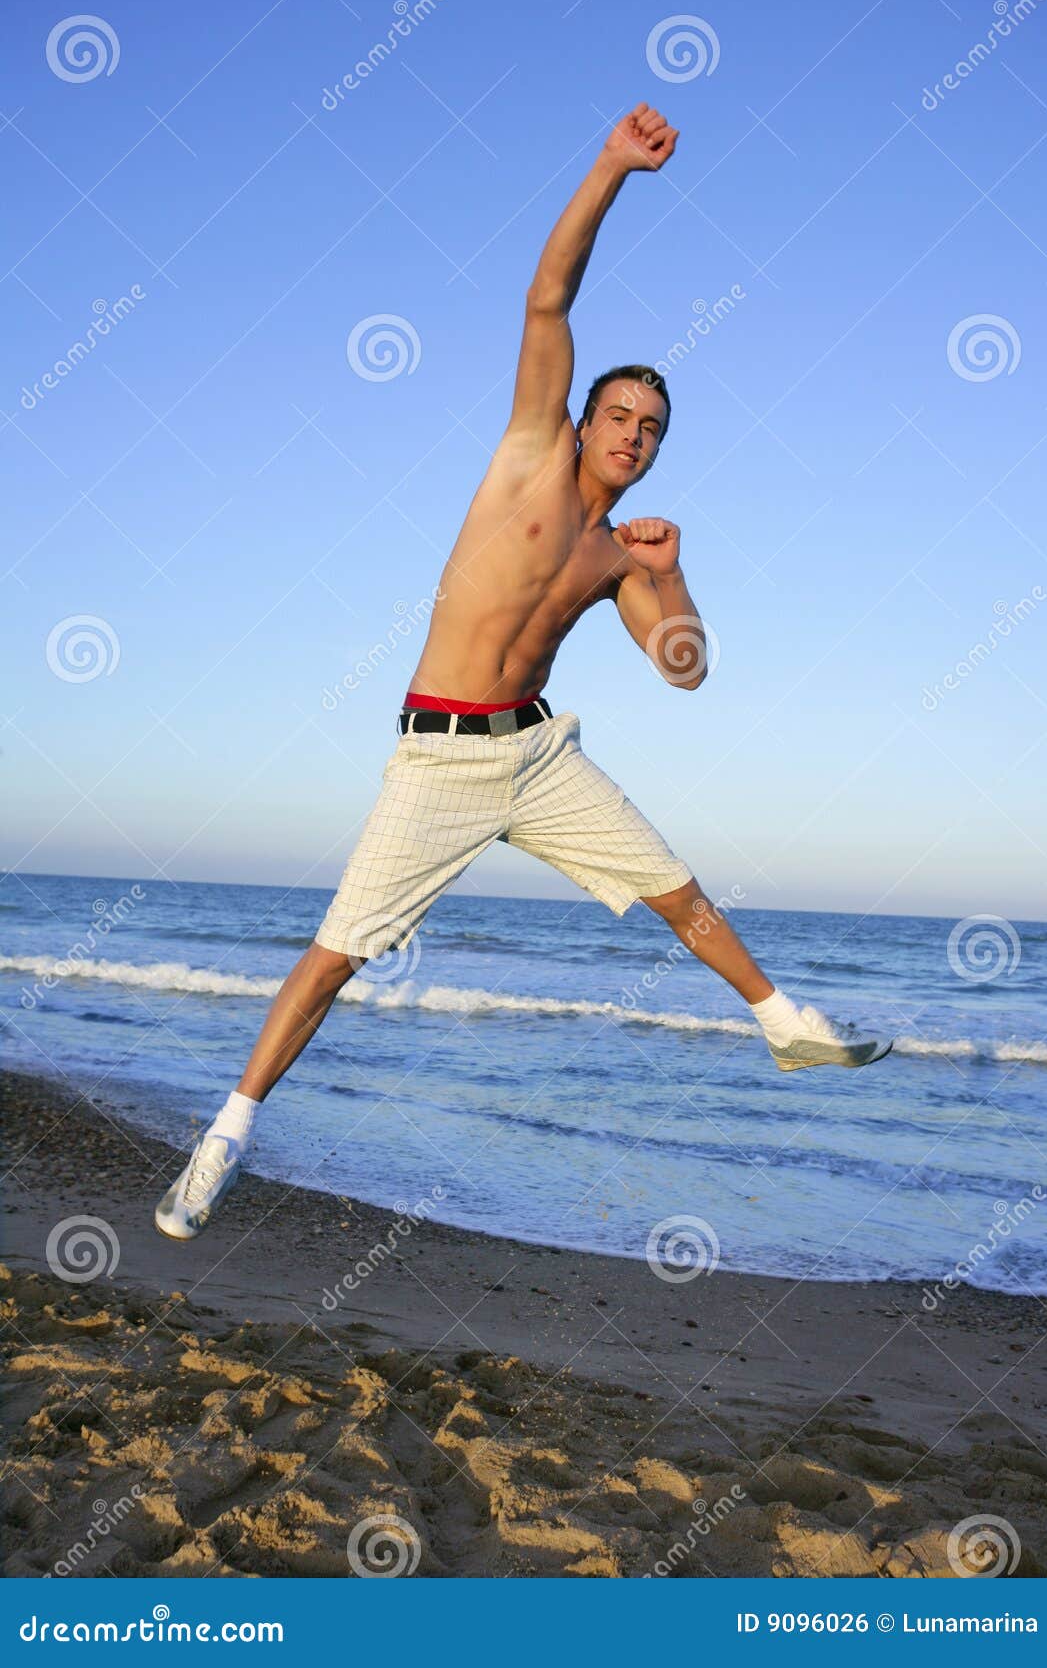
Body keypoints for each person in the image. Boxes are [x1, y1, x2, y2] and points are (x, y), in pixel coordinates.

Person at [156, 103, 890, 1242]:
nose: (632, 435)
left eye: (651, 428)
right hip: (437, 758)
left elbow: (684, 671)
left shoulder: (620, 555)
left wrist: (677, 577)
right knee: (337, 956)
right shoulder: (529, 453)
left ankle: (783, 1022)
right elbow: (549, 297)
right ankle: (225, 1138)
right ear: (582, 420)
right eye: (619, 415)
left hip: (537, 754)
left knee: (676, 889)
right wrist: (612, 166)